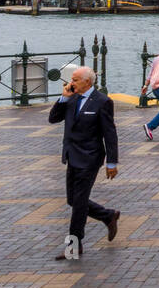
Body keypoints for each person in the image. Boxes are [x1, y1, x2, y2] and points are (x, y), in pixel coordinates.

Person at [48, 66, 119, 260]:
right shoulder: (71, 99)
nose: (71, 83)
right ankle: (107, 215)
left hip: (90, 158)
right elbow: (53, 119)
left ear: (88, 82)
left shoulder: (103, 102)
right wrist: (63, 98)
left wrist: (111, 162)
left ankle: (74, 246)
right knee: (72, 199)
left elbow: (110, 134)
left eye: (75, 80)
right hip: (72, 156)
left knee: (79, 204)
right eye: (71, 79)